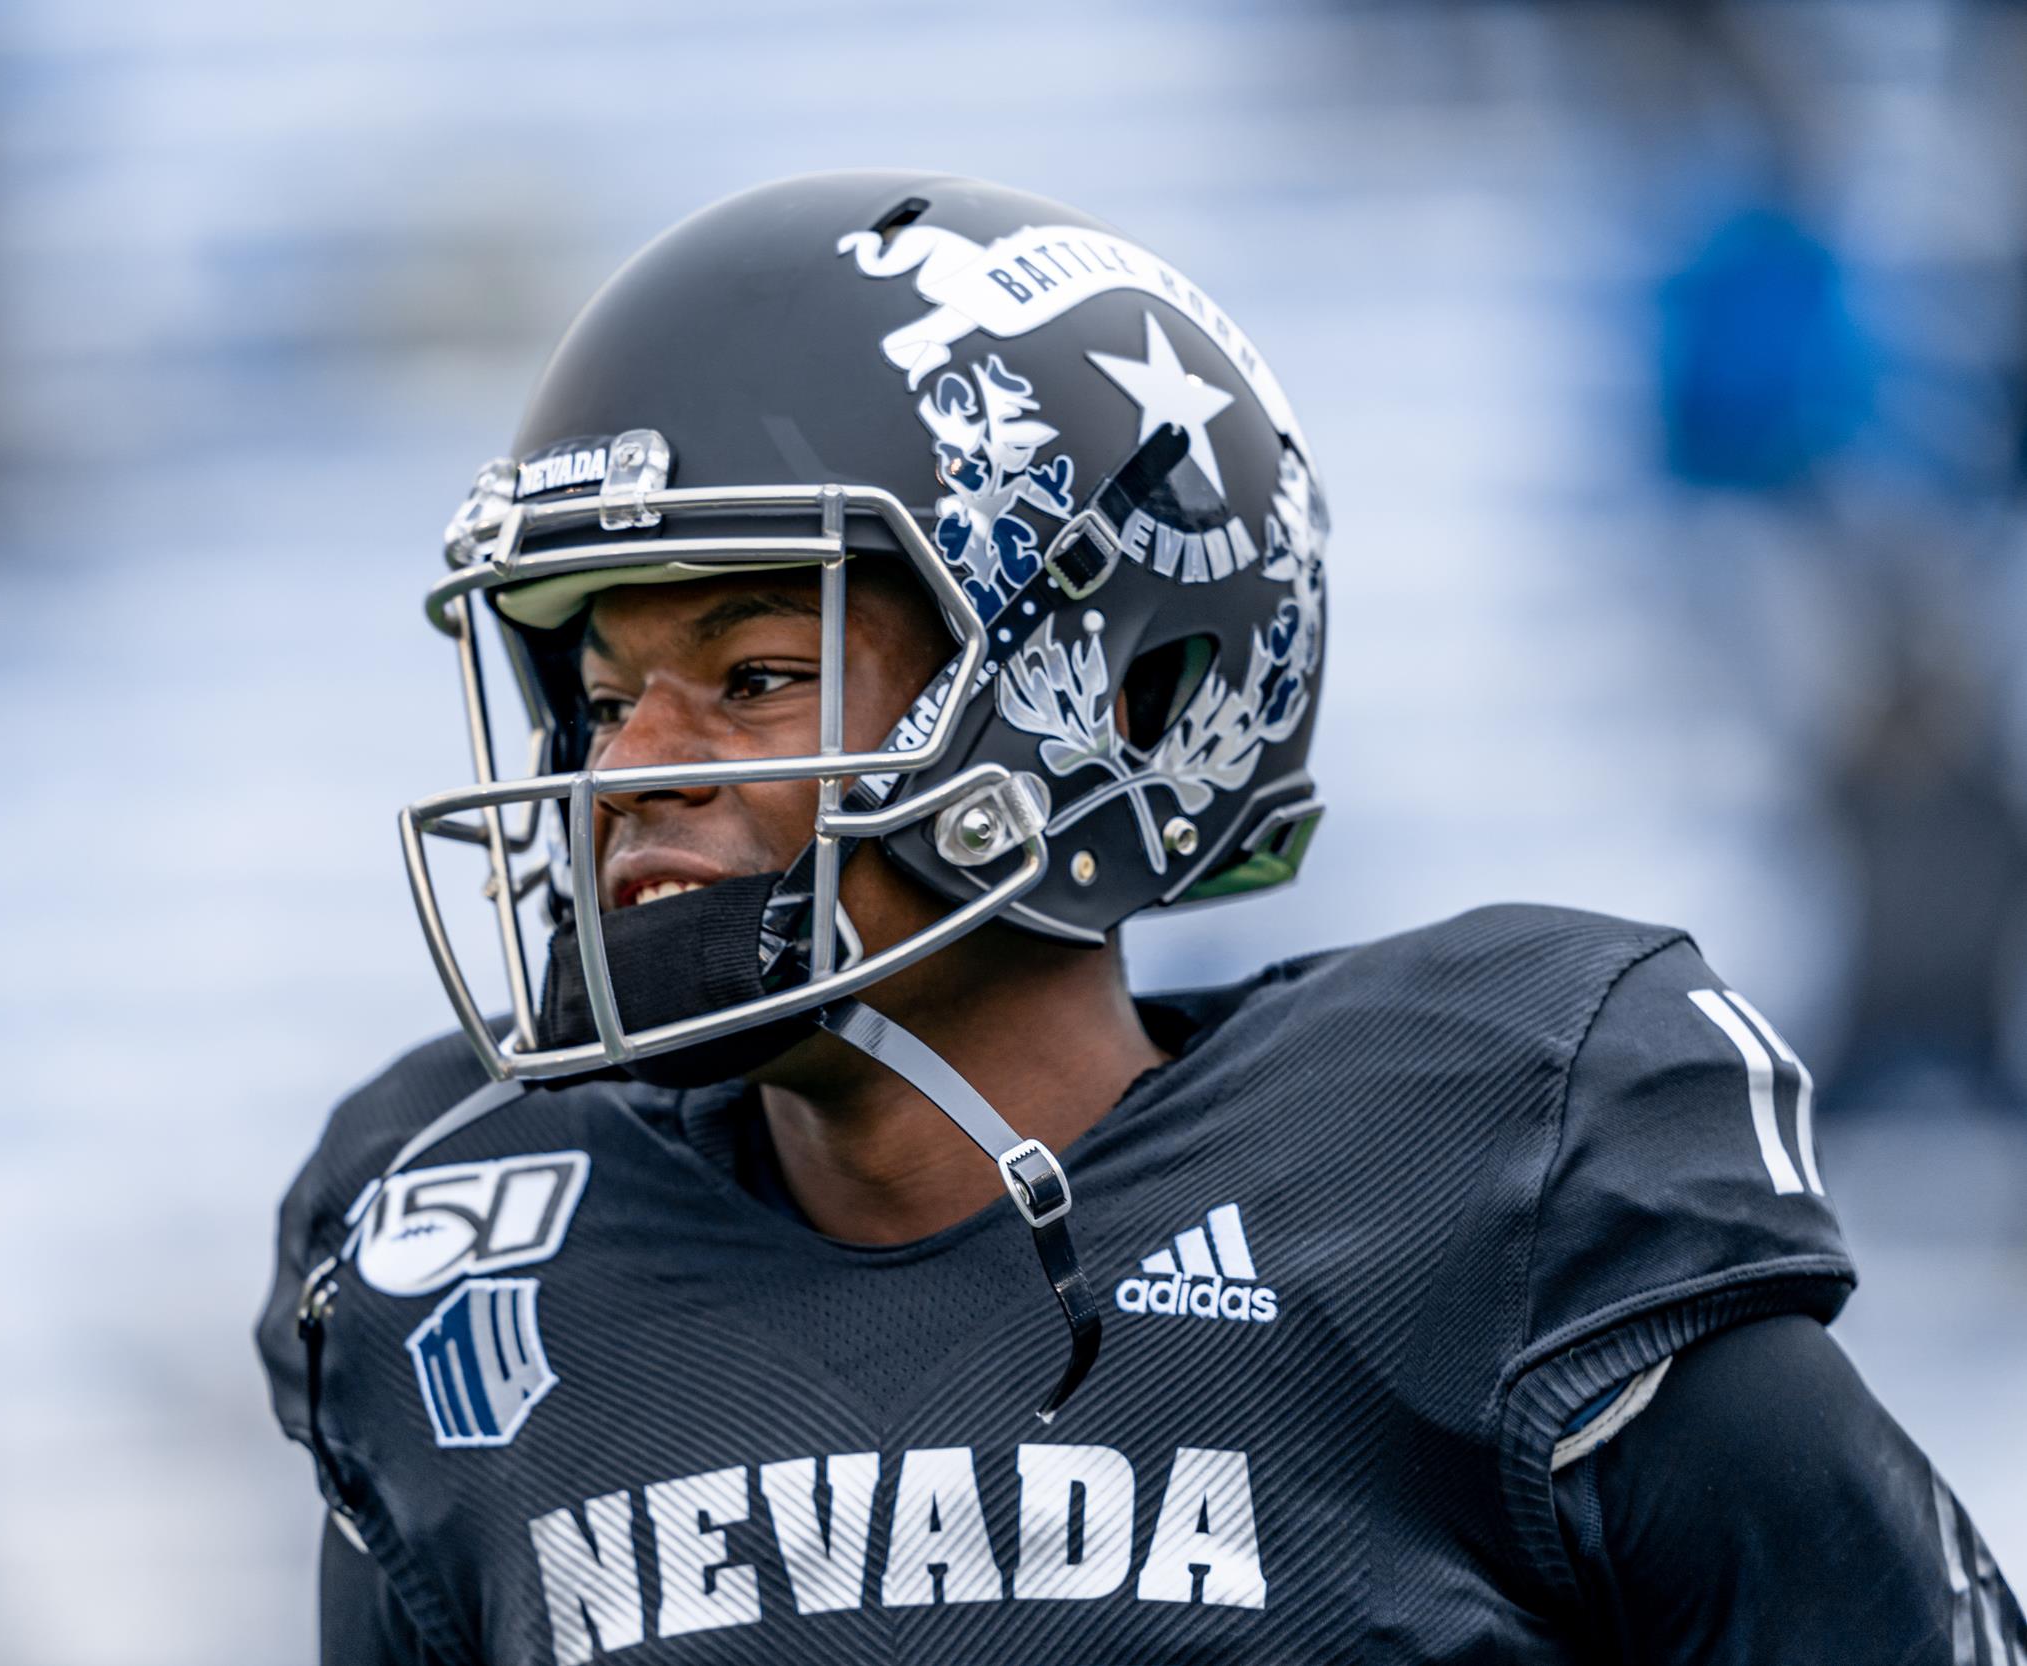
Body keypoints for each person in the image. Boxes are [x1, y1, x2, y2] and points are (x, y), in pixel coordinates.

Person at [257, 171, 2022, 1666]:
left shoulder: (1466, 1177)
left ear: (1122, 692)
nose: (628, 764)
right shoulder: (463, 1253)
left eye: (755, 671)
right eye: (600, 686)